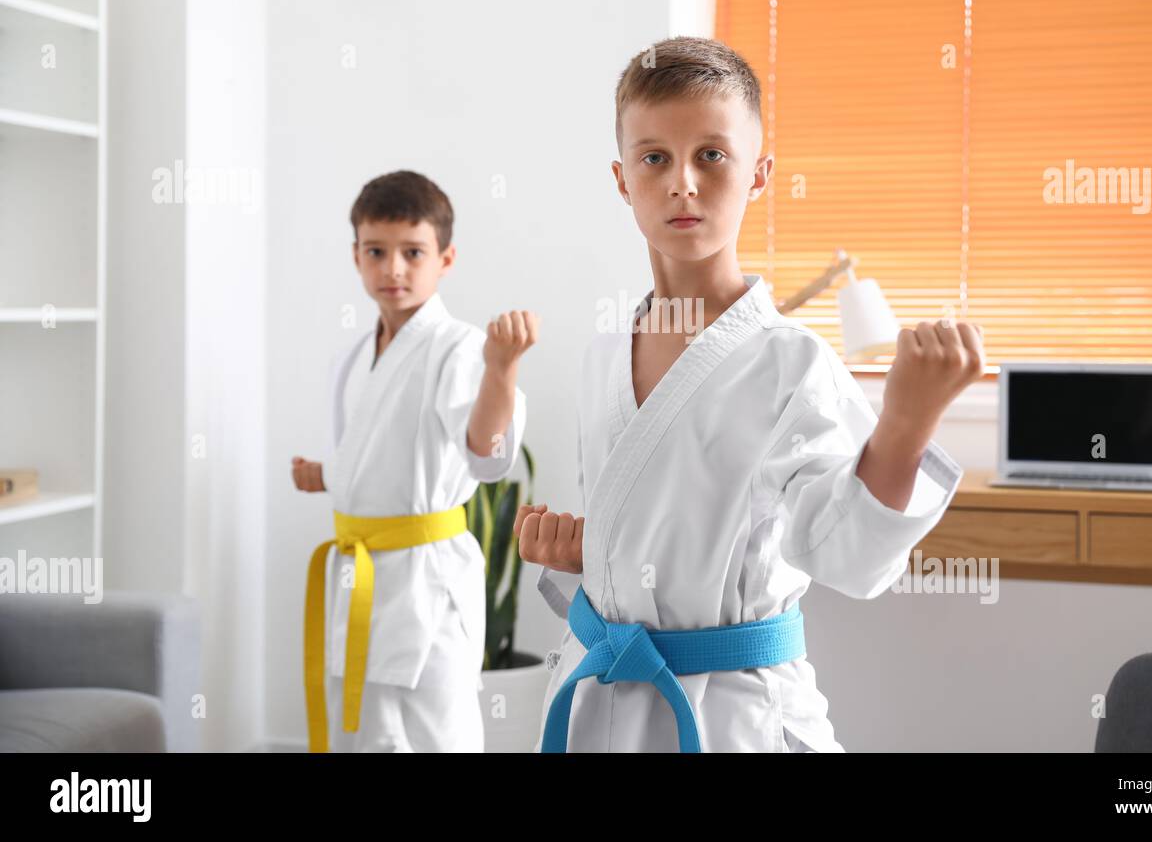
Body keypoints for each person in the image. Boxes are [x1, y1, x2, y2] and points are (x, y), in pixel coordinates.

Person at [515, 37, 984, 752]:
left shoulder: (791, 364)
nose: (683, 183)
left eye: (712, 155)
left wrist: (907, 422)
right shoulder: (604, 354)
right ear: (621, 179)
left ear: (760, 174)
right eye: (655, 158)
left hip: (730, 715)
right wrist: (587, 551)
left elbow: (849, 560)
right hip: (600, 703)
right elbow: (656, 529)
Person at [293, 169, 535, 752]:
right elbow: (382, 455)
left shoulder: (457, 348)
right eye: (376, 251)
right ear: (356, 255)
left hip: (426, 578)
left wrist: (500, 370)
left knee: (437, 733)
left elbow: (482, 452)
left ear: (445, 259)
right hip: (360, 572)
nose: (393, 268)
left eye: (412, 252)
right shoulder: (354, 354)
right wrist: (327, 475)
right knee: (365, 730)